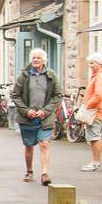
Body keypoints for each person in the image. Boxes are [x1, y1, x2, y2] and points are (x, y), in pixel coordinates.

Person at [10, 48, 62, 185]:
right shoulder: (24, 76)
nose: (36, 60)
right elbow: (15, 95)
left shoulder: (51, 75)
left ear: (44, 60)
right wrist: (26, 111)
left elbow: (57, 95)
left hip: (45, 117)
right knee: (29, 145)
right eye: (33, 58)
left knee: (44, 144)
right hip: (28, 118)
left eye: (38, 58)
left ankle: (44, 173)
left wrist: (46, 110)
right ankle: (29, 171)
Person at [78, 52, 102, 171]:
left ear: (99, 64)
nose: (90, 66)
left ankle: (96, 162)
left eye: (92, 63)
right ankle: (95, 161)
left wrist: (88, 106)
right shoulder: (97, 76)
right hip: (95, 110)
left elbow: (98, 95)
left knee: (94, 136)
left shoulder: (100, 77)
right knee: (93, 136)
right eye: (90, 63)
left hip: (95, 111)